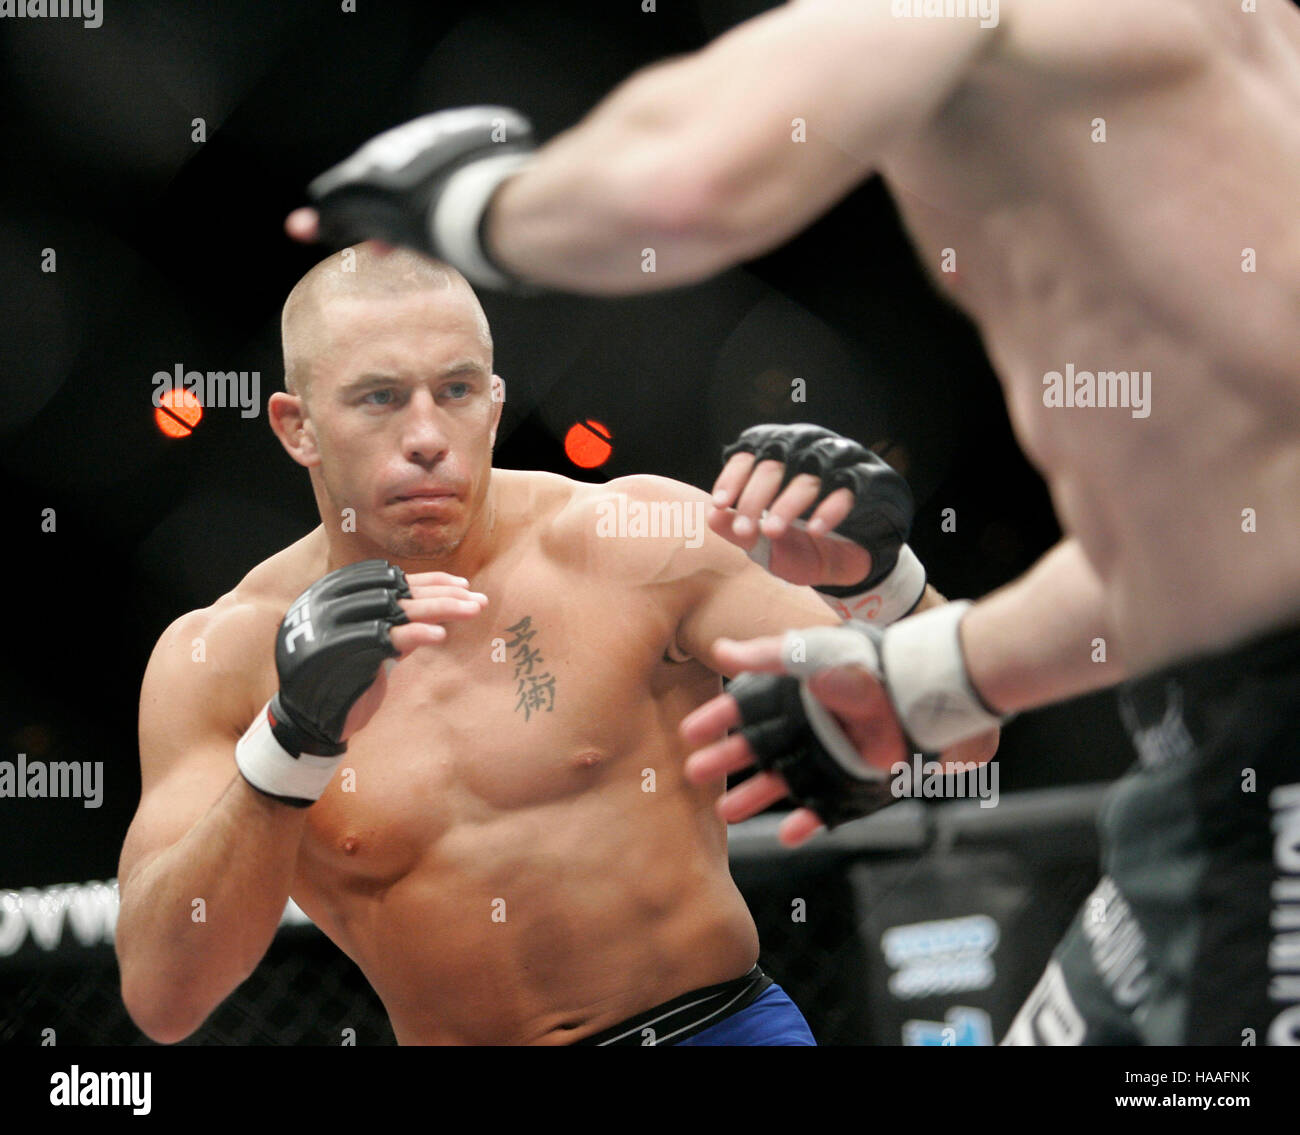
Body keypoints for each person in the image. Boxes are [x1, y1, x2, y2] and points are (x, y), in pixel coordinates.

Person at [286, 0, 1300, 1044]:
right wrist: (913, 658)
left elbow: (687, 177)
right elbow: (1221, 554)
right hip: (1216, 736)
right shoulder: (1250, 42)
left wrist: (468, 204)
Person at [114, 243, 990, 1046]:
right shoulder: (223, 656)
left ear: (494, 403)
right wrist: (289, 740)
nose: (425, 437)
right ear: (295, 425)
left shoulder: (636, 541)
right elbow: (164, 995)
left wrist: (889, 585)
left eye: (456, 391)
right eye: (379, 398)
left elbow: (959, 748)